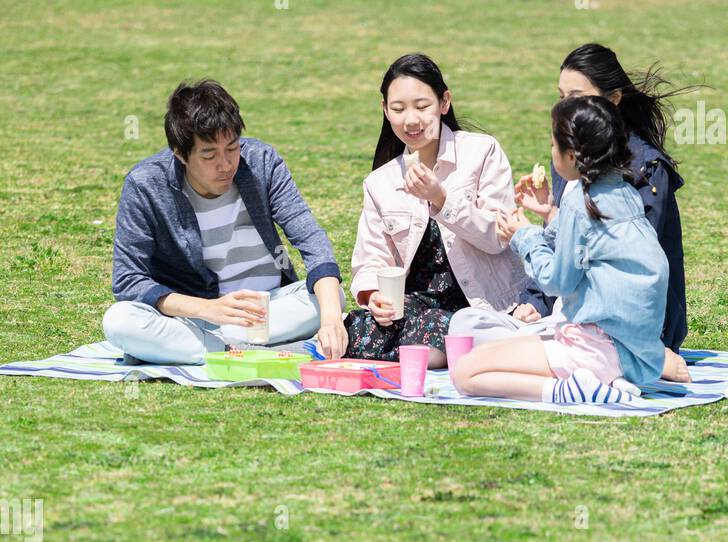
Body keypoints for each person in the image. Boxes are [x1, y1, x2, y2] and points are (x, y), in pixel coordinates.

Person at [450, 43, 690, 380]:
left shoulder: (643, 169)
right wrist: (549, 215)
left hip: (614, 330)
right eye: (561, 96)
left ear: (614, 99)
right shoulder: (589, 169)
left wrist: (526, 236)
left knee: (469, 363)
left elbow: (603, 271)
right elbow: (588, 243)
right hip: (585, 317)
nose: (565, 107)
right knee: (465, 323)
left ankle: (644, 361)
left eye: (575, 97)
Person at [102, 80, 347, 364]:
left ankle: (212, 351)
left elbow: (310, 238)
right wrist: (209, 309)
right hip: (192, 317)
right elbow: (128, 279)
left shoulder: (262, 162)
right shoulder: (146, 184)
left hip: (266, 311)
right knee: (119, 321)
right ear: (180, 154)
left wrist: (331, 320)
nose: (226, 164)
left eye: (232, 148)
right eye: (209, 154)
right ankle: (232, 351)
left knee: (331, 295)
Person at [345, 54, 530, 366]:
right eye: (398, 109)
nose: (411, 120)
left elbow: (499, 237)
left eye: (422, 106)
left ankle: (460, 344)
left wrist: (442, 201)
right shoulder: (380, 182)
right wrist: (373, 295)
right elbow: (371, 258)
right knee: (352, 331)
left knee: (444, 330)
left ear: (444, 102)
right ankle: (453, 349)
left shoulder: (482, 151)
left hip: (478, 303)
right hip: (417, 307)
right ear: (385, 111)